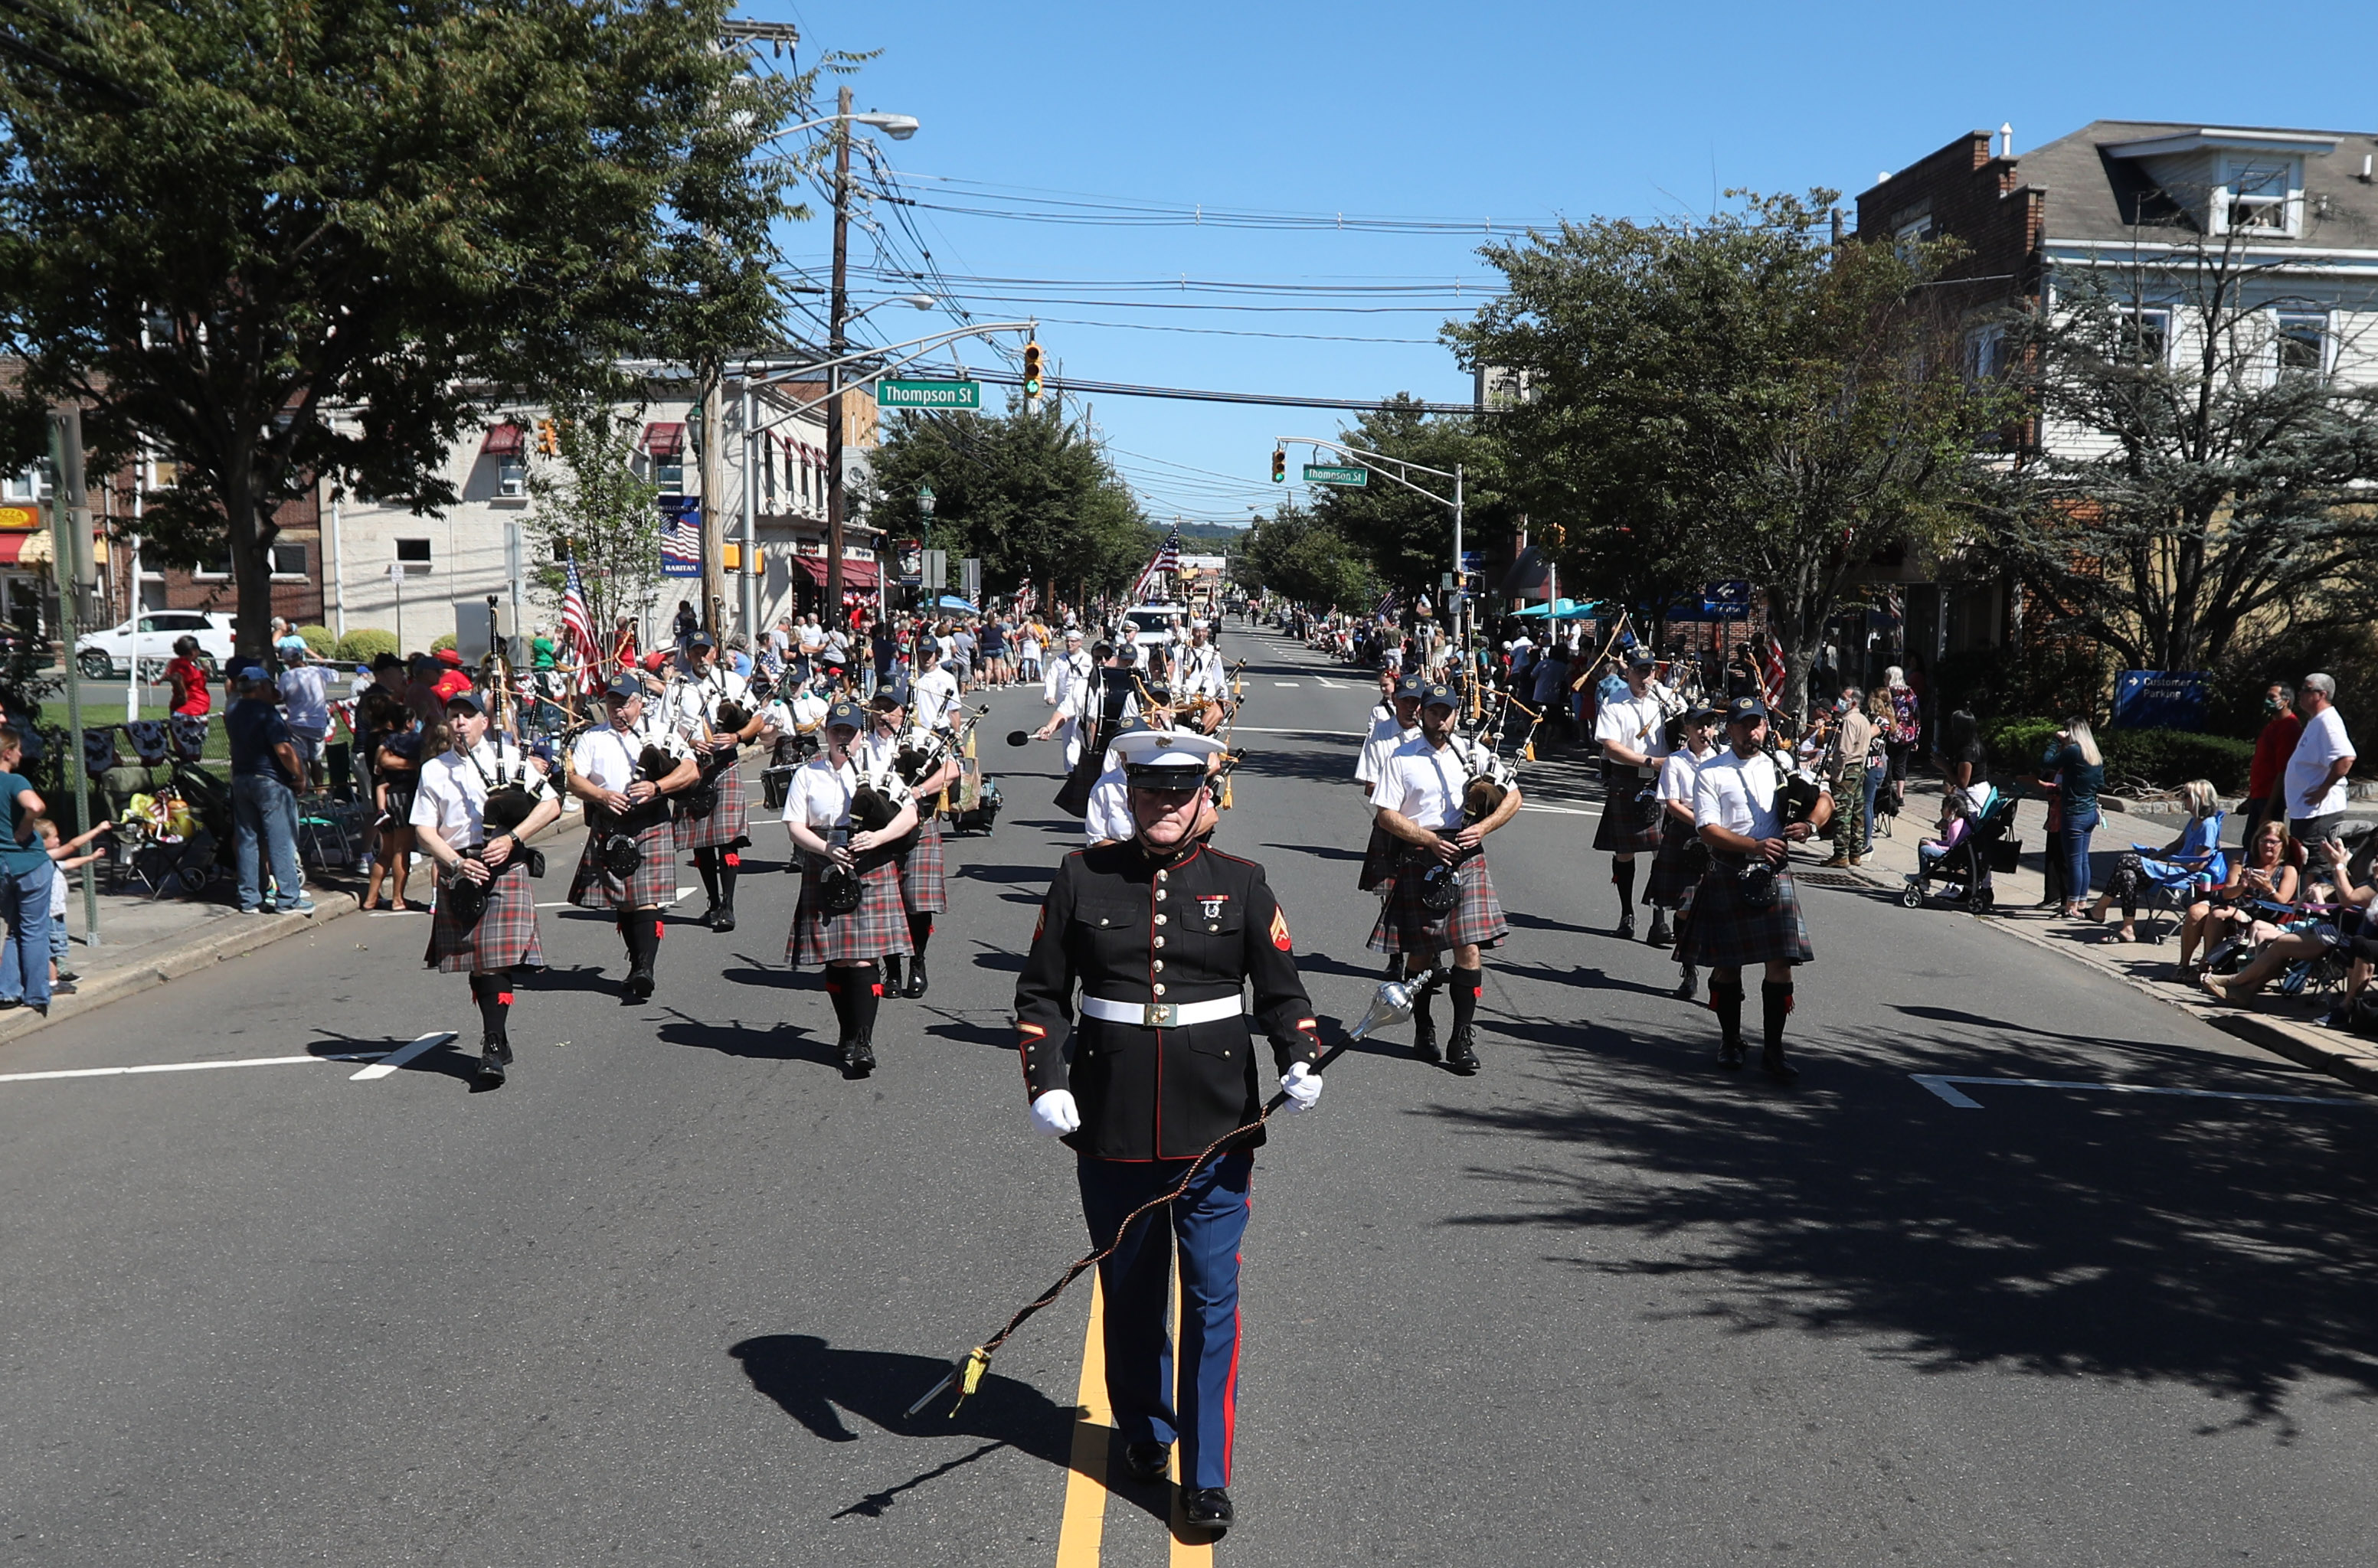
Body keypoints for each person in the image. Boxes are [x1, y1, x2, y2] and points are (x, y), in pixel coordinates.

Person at [1012, 726, 1324, 1539]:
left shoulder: (1245, 883)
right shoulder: (1082, 877)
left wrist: (1301, 1057)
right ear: (1131, 795)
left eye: (1180, 793)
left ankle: (1208, 1473)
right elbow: (1041, 995)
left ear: (1204, 802)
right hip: (1111, 1119)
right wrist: (1046, 1083)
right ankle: (1148, 1429)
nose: (1164, 806)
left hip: (1217, 1123)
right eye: (1151, 791)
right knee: (1132, 1293)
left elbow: (1284, 992)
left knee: (1214, 1299)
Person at [1368, 682, 1522, 1072]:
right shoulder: (1401, 758)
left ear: (1456, 714)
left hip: (1467, 855)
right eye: (1434, 712)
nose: (1441, 719)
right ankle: (1424, 1028)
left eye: (1447, 712)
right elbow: (1386, 814)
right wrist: (1429, 840)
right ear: (1422, 714)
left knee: (1468, 947)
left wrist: (1484, 827)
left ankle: (1461, 1037)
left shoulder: (1477, 756)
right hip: (1422, 854)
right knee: (1421, 951)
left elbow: (1515, 797)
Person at [412, 691, 561, 1085]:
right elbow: (424, 830)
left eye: (467, 715)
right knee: (479, 961)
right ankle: (499, 1035)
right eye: (453, 716)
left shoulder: (510, 759)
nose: (459, 722)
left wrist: (514, 839)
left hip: (505, 862)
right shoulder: (433, 770)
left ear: (484, 721)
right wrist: (458, 863)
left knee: (495, 958)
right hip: (459, 868)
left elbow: (551, 805)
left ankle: (492, 1045)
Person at [1684, 696, 1829, 1080]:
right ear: (1729, 729)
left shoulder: (1781, 766)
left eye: (1759, 724)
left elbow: (1825, 799)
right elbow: (1706, 829)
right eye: (1745, 726)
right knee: (1728, 966)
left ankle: (1774, 1050)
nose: (1754, 732)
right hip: (1729, 870)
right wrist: (1754, 846)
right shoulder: (1712, 771)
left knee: (1780, 965)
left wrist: (1811, 824)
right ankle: (1730, 1041)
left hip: (1773, 871)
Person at [783, 698, 918, 1075]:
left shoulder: (881, 770)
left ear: (862, 734)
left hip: (870, 861)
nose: (842, 737)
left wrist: (879, 839)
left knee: (862, 957)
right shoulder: (808, 774)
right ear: (826, 732)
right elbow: (795, 824)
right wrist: (826, 849)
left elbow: (910, 813)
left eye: (850, 731)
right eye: (836, 730)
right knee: (838, 957)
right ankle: (846, 1032)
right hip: (825, 863)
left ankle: (863, 1040)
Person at [565, 675, 697, 1000]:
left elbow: (691, 770)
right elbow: (573, 780)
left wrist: (657, 787)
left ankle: (644, 969)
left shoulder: (660, 735)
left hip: (650, 819)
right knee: (624, 899)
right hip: (610, 822)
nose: (618, 710)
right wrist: (601, 795)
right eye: (612, 702)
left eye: (624, 703)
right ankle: (637, 963)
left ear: (639, 703)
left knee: (645, 897)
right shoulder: (592, 737)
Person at [656, 632, 764, 932]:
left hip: (725, 765)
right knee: (701, 844)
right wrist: (689, 738)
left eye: (705, 651)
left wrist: (737, 737)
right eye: (695, 652)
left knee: (727, 839)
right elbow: (665, 726)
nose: (700, 657)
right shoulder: (676, 687)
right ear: (687, 654)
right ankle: (713, 903)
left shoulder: (731, 682)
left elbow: (759, 718)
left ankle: (728, 906)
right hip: (692, 769)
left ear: (714, 652)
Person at [860, 688, 957, 999]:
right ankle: (893, 970)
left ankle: (917, 961)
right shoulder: (862, 744)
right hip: (880, 830)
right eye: (878, 709)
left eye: (890, 709)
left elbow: (952, 770)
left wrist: (919, 792)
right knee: (887, 902)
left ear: (903, 710)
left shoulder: (921, 737)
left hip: (921, 824)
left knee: (916, 902)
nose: (884, 715)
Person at [2200, 841, 2373, 1007]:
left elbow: (2348, 899)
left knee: (2283, 944)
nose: (2376, 862)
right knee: (2282, 945)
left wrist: (2339, 865)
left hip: (2350, 935)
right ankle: (2245, 991)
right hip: (2338, 927)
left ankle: (2236, 981)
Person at [1591, 648, 1676, 942]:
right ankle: (1627, 914)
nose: (1646, 676)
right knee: (1624, 851)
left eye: (1650, 670)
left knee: (1663, 852)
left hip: (1664, 781)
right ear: (1628, 672)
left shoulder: (1668, 699)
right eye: (1640, 670)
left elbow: (1688, 730)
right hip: (1627, 780)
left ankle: (1659, 920)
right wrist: (1648, 761)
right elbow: (1610, 746)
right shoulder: (1613, 703)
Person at [2089, 778, 2224, 946]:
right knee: (2127, 875)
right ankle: (2128, 929)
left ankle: (2099, 909)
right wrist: (2155, 856)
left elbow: (2198, 864)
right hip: (2174, 869)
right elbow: (2177, 844)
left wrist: (2167, 864)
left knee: (2126, 859)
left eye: (2187, 795)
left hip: (2186, 876)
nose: (2183, 799)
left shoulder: (2208, 825)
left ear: (2200, 798)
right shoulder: (2195, 820)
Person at [225, 663, 314, 916]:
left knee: (248, 840)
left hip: (241, 778)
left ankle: (250, 898)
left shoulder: (233, 711)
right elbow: (283, 749)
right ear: (263, 686)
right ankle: (288, 898)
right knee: (280, 840)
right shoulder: (267, 713)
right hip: (270, 779)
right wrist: (298, 775)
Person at [1648, 704, 1722, 998]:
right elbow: (1671, 803)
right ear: (1687, 730)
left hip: (1720, 836)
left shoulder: (1723, 760)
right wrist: (1702, 825)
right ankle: (1689, 968)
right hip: (1685, 832)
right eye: (1699, 726)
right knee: (1684, 906)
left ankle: (1720, 976)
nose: (1705, 731)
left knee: (1718, 908)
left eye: (1710, 725)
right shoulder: (1675, 762)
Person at [2175, 818, 2296, 978]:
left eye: (2273, 842)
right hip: (2232, 902)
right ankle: (2183, 965)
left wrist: (2269, 889)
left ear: (2283, 844)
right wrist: (2243, 885)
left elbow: (2283, 901)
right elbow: (2227, 893)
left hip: (2259, 912)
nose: (2268, 845)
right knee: (2195, 911)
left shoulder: (2288, 870)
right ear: (2257, 841)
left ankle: (2206, 965)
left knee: (2218, 913)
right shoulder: (2243, 859)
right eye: (2264, 840)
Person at [0, 728, 53, 1013]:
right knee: (34, 930)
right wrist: (24, 827)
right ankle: (37, 993)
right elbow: (35, 805)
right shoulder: (13, 780)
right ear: (7, 753)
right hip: (29, 862)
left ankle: (7, 989)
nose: (22, 754)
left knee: (14, 928)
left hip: (1, 869)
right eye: (18, 749)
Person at [2036, 716, 2106, 920]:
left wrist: (2056, 740)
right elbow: (2100, 783)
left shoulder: (2073, 751)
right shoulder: (2093, 752)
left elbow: (2047, 763)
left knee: (2074, 860)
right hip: (2090, 812)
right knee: (2083, 860)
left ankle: (2071, 907)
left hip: (2074, 813)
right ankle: (2082, 902)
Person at [361, 687, 420, 912]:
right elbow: (386, 762)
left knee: (386, 850)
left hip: (383, 798)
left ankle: (371, 898)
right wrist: (415, 765)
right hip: (401, 795)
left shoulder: (372, 738)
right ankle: (398, 899)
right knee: (401, 850)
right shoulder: (387, 739)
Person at [2278, 673, 2356, 845]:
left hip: (2319, 815)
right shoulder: (2317, 720)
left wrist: (2324, 789)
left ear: (2322, 695)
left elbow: (2346, 758)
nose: (2301, 694)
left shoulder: (2328, 722)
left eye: (2307, 690)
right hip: (2306, 812)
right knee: (2304, 863)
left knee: (2316, 866)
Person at [35, 815, 107, 995]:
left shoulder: (50, 861)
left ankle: (52, 978)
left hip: (55, 912)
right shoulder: (42, 857)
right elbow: (73, 845)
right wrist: (98, 830)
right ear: (41, 841)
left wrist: (91, 858)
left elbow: (69, 863)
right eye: (54, 837)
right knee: (50, 949)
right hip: (49, 913)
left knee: (52, 948)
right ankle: (52, 983)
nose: (59, 840)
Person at [1818, 686, 1877, 868]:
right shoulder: (1864, 720)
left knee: (1843, 813)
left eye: (1844, 698)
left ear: (1853, 702)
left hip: (1848, 769)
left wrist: (1836, 773)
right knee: (1857, 812)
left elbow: (1844, 750)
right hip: (1859, 769)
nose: (1840, 701)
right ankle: (1855, 853)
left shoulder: (1850, 721)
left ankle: (1841, 854)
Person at [2242, 682, 2300, 841]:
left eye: (2272, 697)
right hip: (2258, 796)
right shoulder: (2272, 726)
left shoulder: (2289, 728)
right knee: (2250, 842)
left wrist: (2269, 809)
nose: (2267, 701)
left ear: (2286, 701)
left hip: (2270, 798)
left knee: (2265, 842)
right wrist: (2251, 798)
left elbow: (2283, 771)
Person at [277, 642, 332, 788]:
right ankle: (320, 789)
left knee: (301, 760)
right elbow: (335, 675)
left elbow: (280, 696)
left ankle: (307, 788)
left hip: (297, 722)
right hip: (318, 723)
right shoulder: (318, 671)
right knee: (316, 759)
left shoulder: (286, 676)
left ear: (287, 662)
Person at [164, 635, 211, 720]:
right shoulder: (183, 665)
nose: (199, 652)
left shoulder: (187, 664)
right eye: (198, 649)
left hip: (195, 710)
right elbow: (176, 678)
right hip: (189, 712)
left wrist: (205, 671)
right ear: (193, 651)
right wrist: (183, 696)